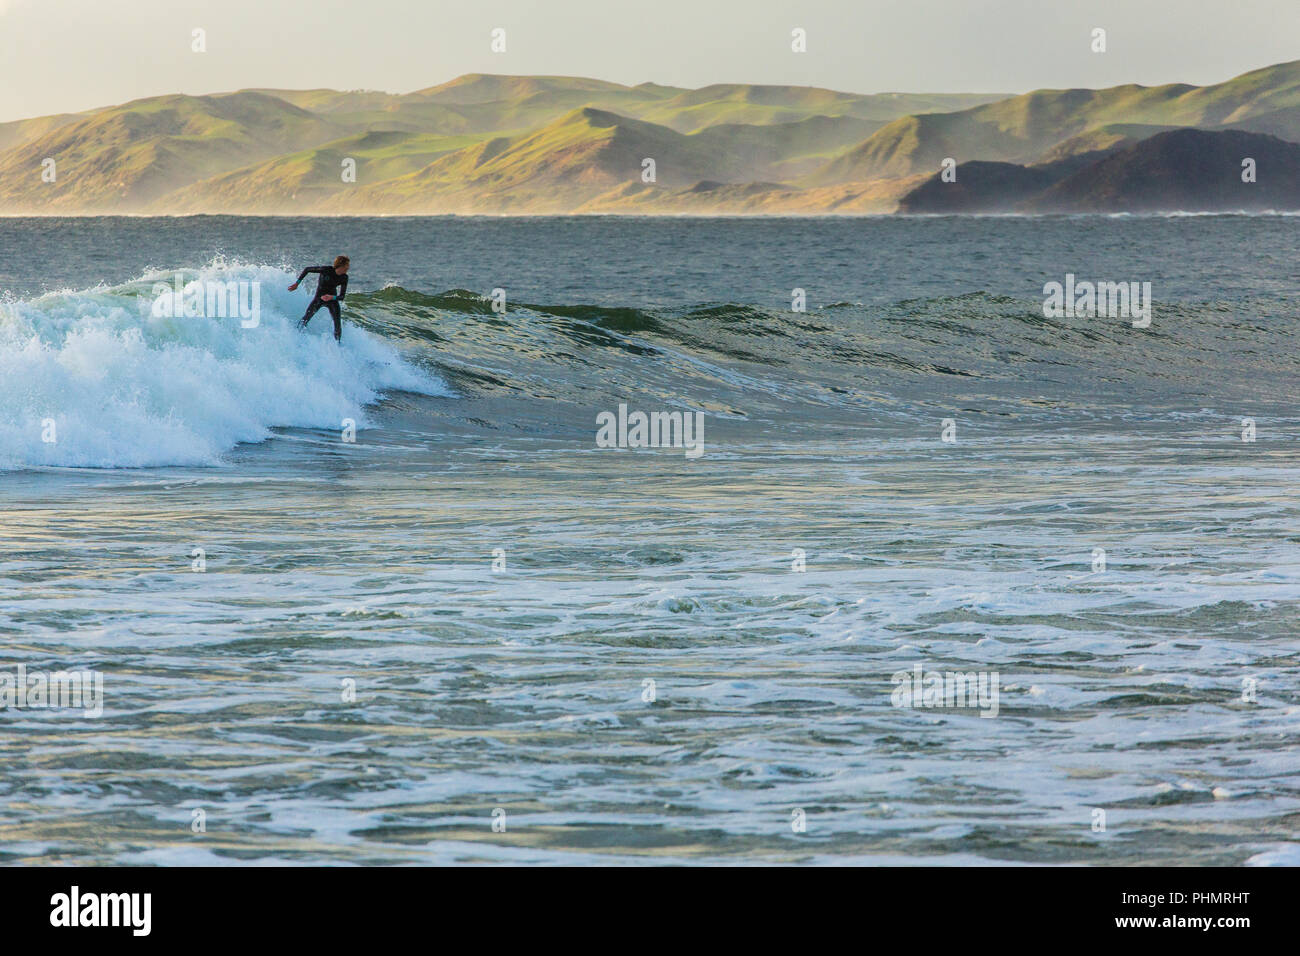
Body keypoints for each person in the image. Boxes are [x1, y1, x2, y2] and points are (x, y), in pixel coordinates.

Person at [289, 255, 350, 342]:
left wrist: (332, 297)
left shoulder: (344, 277)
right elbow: (307, 269)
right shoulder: (326, 270)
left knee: (337, 324)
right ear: (340, 265)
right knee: (306, 318)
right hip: (319, 298)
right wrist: (297, 283)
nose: (348, 268)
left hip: (332, 300)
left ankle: (338, 345)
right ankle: (295, 336)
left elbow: (342, 297)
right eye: (347, 265)